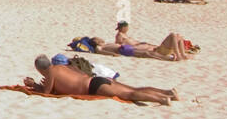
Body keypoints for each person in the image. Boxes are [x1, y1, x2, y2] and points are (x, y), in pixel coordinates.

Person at [25, 55, 176, 104]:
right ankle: (167, 92)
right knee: (133, 89)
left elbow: (46, 93)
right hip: (96, 79)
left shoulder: (50, 72)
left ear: (40, 69)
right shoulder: (65, 67)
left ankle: (162, 100)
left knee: (129, 95)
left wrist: (34, 85)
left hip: (93, 87)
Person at [113, 22, 192, 60]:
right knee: (172, 35)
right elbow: (119, 47)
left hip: (155, 48)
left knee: (178, 36)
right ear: (123, 27)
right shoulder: (120, 36)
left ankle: (183, 54)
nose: (128, 28)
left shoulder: (125, 35)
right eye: (127, 27)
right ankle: (179, 55)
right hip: (156, 50)